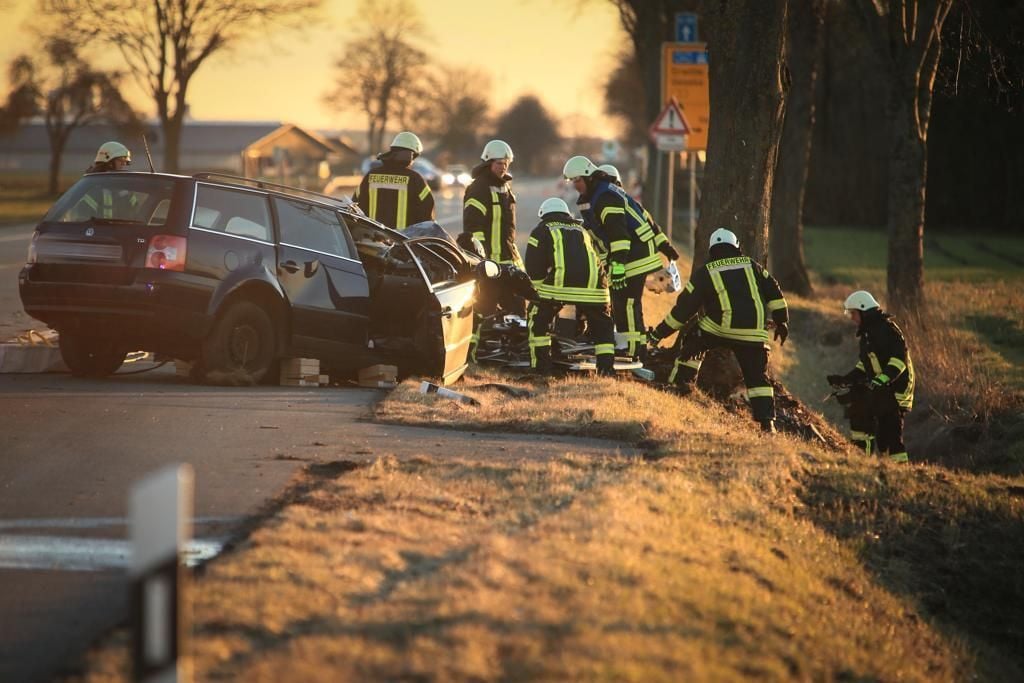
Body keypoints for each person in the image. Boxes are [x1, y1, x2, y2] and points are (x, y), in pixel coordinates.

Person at [648, 228, 789, 432]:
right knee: (758, 377)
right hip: (753, 334)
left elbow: (683, 311)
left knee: (692, 341)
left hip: (717, 329)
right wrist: (782, 321)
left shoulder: (706, 272)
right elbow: (774, 291)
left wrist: (657, 334)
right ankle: (768, 424)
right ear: (737, 247)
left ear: (712, 250)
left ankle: (680, 387)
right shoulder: (753, 265)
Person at [563, 155, 678, 363]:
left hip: (633, 257)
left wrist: (617, 266)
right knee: (622, 304)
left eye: (577, 181)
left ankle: (635, 352)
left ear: (588, 177)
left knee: (627, 304)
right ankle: (629, 347)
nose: (575, 186)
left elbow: (619, 237)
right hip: (631, 256)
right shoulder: (601, 194)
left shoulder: (606, 197)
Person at [524, 197, 615, 376]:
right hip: (595, 289)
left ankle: (541, 369)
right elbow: (604, 253)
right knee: (603, 328)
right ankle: (606, 371)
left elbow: (534, 266)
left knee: (538, 319)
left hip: (558, 288)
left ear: (543, 215)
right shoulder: (583, 230)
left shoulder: (541, 230)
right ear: (567, 214)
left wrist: (536, 292)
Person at [827, 291, 914, 463]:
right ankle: (861, 462)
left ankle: (901, 472)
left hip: (896, 392)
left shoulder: (888, 331)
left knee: (890, 438)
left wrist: (880, 381)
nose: (852, 318)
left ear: (864, 310)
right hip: (882, 389)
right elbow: (864, 366)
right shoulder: (868, 334)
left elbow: (898, 362)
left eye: (853, 314)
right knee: (859, 416)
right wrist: (845, 379)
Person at [463, 139, 524, 316]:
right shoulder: (478, 188)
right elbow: (472, 227)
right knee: (485, 312)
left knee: (517, 312)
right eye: (499, 163)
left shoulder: (504, 187)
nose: (503, 167)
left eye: (506, 164)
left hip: (507, 261)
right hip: (489, 264)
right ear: (488, 162)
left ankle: (511, 343)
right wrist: (483, 258)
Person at [355, 131, 435, 230]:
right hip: (404, 242)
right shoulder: (415, 179)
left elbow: (355, 206)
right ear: (411, 155)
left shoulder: (370, 176)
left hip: (373, 240)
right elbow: (427, 217)